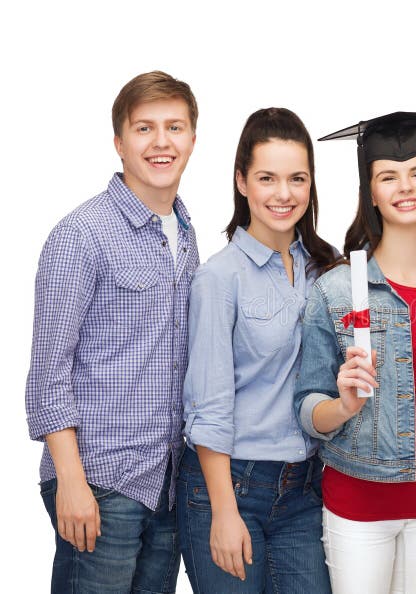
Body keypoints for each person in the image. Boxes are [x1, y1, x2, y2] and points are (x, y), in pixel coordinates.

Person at [294, 112, 416, 594]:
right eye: (388, 176)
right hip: (359, 502)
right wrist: (344, 404)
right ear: (371, 192)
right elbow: (306, 410)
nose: (406, 186)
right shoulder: (335, 293)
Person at [25, 70, 199, 593]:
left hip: (165, 484)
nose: (161, 141)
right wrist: (72, 483)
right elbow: (47, 374)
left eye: (175, 126)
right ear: (119, 142)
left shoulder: (186, 234)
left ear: (193, 138)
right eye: (145, 128)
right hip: (99, 483)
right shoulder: (80, 236)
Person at [176, 107, 336, 593]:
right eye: (267, 178)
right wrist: (223, 512)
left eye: (297, 179)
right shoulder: (219, 278)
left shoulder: (324, 272)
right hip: (230, 487)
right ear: (242, 182)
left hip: (305, 489)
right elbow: (208, 404)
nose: (283, 194)